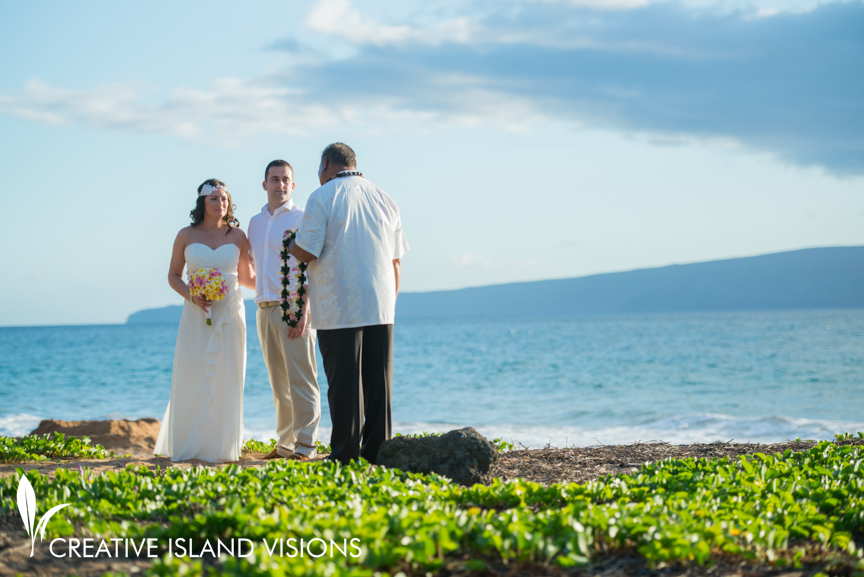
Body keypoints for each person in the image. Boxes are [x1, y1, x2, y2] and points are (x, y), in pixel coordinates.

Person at [288, 143, 408, 464]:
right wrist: (389, 304)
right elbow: (396, 261)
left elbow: (308, 251)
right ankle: (378, 453)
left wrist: (291, 243)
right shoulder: (385, 198)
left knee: (344, 386)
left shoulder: (323, 196)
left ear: (326, 163)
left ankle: (344, 455)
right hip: (381, 303)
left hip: (338, 304)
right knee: (379, 386)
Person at [154, 179, 255, 462]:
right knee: (192, 373)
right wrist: (193, 295)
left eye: (224, 198)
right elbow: (173, 275)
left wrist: (282, 283)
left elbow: (247, 278)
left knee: (227, 375)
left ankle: (221, 447)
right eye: (214, 198)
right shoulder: (185, 235)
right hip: (195, 314)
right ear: (202, 202)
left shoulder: (238, 236)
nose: (220, 203)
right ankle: (189, 444)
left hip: (230, 313)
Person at [247, 160, 321, 461]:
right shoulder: (254, 223)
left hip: (293, 306)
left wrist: (303, 311)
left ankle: (306, 446)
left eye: (285, 179)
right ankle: (286, 444)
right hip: (262, 308)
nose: (280, 184)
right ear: (265, 184)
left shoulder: (303, 218)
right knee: (278, 383)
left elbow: (311, 268)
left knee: (301, 379)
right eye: (274, 179)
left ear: (292, 185)